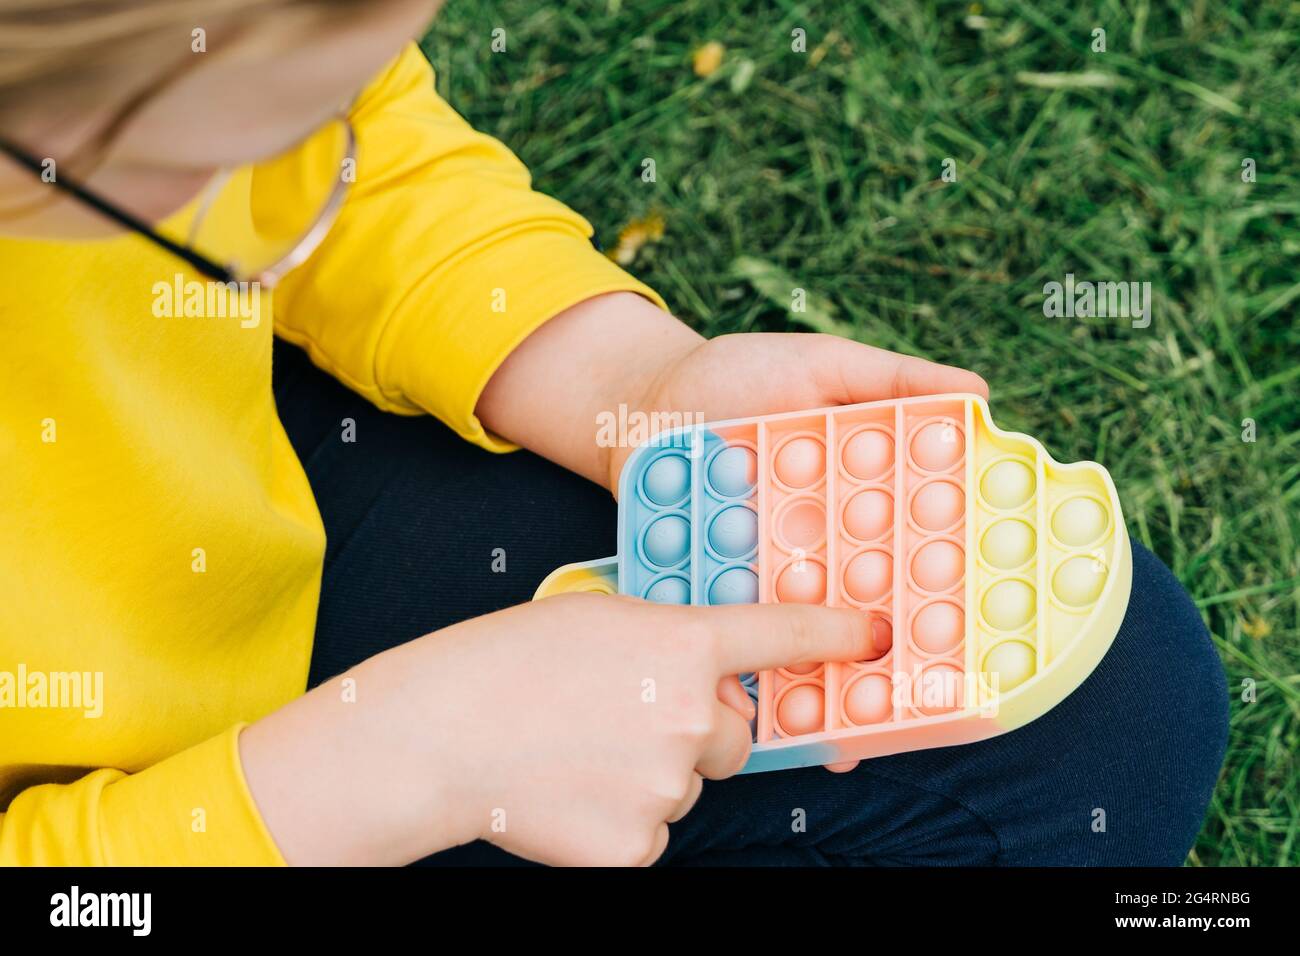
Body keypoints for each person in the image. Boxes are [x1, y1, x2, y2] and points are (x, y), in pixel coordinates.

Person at [0, 0, 1226, 866]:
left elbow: (346, 144)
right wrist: (391, 769)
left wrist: (621, 375)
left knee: (1113, 713)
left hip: (207, 520)